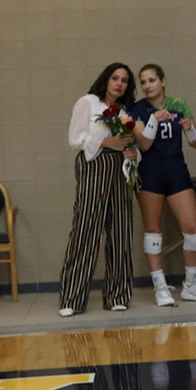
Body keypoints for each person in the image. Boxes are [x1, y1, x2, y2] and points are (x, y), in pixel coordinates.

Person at [129, 64, 196, 307]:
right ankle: (160, 288)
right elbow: (144, 144)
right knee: (153, 234)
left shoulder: (179, 104)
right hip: (150, 174)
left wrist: (190, 130)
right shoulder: (138, 109)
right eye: (143, 82)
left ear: (163, 82)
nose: (147, 86)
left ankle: (191, 285)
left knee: (193, 231)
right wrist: (155, 120)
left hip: (177, 172)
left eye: (152, 80)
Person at [58, 63, 141, 317]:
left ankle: (117, 294)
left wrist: (131, 151)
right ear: (105, 79)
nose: (119, 83)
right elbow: (75, 140)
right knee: (86, 228)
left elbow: (133, 143)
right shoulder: (88, 103)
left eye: (124, 80)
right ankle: (72, 298)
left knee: (120, 229)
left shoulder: (124, 110)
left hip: (120, 166)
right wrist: (107, 141)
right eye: (115, 78)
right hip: (94, 164)